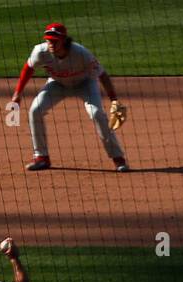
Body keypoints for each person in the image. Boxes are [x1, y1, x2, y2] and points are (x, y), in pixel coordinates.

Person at [10, 22, 129, 172]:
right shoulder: (40, 51)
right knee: (35, 110)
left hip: (85, 84)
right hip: (57, 83)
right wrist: (17, 93)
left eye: (54, 40)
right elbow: (28, 69)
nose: (51, 43)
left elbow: (102, 74)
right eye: (48, 40)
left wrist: (114, 100)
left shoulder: (81, 53)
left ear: (64, 40)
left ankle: (118, 158)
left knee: (97, 113)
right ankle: (41, 157)